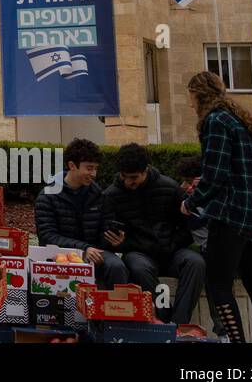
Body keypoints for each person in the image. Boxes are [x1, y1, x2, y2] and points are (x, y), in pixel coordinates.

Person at [180, 70, 252, 343]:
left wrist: (190, 203)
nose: (189, 103)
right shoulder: (244, 120)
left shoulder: (215, 121)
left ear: (197, 95)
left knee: (218, 285)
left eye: (190, 96)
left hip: (232, 214)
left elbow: (215, 174)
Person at [178, 154, 252, 342]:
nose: (188, 188)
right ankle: (225, 334)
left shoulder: (247, 197)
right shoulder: (192, 206)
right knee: (214, 272)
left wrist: (239, 249)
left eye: (194, 183)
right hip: (226, 259)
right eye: (186, 183)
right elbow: (205, 243)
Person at [101, 143, 205, 324]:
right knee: (138, 267)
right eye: (124, 177)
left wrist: (172, 244)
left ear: (146, 170)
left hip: (172, 252)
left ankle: (180, 324)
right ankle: (165, 322)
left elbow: (188, 227)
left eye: (133, 177)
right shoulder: (111, 195)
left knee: (195, 263)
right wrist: (119, 243)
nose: (128, 182)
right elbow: (108, 234)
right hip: (138, 254)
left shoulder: (170, 187)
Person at [34, 138, 128, 287]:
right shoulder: (47, 197)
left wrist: (114, 242)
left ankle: (117, 308)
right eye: (89, 168)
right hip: (59, 254)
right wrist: (83, 249)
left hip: (94, 254)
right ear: (72, 165)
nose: (94, 173)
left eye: (96, 168)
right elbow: (47, 237)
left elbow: (102, 237)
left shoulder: (99, 196)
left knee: (116, 266)